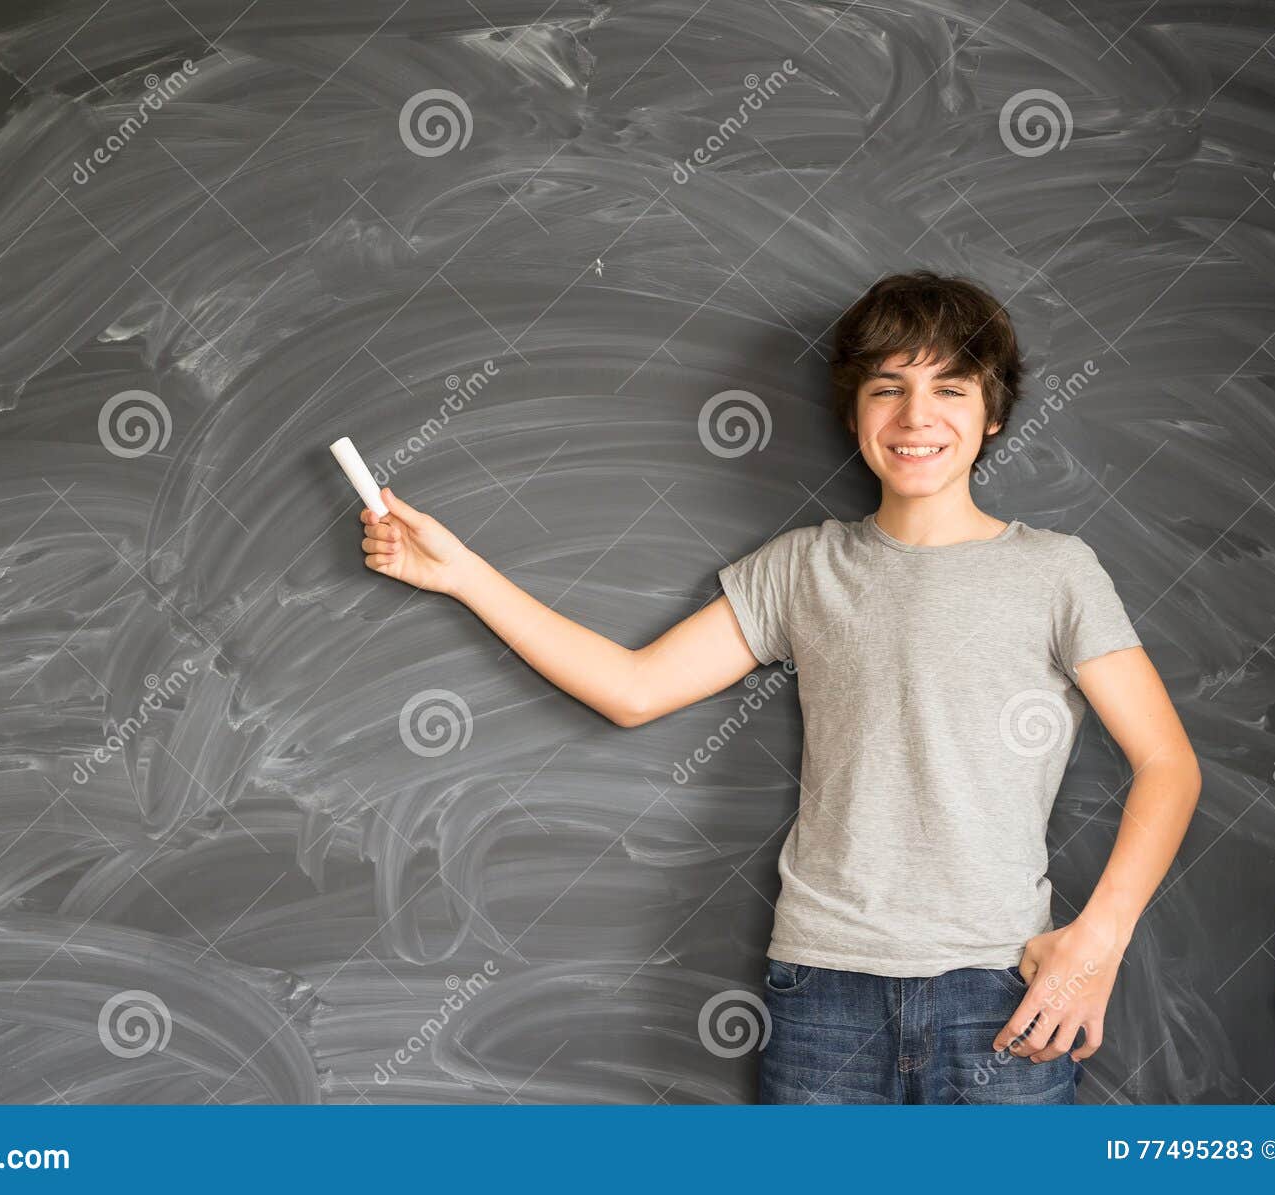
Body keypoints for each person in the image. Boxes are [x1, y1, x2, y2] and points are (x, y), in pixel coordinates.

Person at [354, 270, 1201, 1104]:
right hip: (824, 992)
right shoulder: (803, 568)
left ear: (994, 412)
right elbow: (631, 687)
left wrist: (1098, 941)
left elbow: (1168, 762)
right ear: (854, 412)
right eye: (887, 388)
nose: (917, 417)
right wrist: (463, 574)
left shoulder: (1056, 573)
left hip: (1004, 992)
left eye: (949, 387)